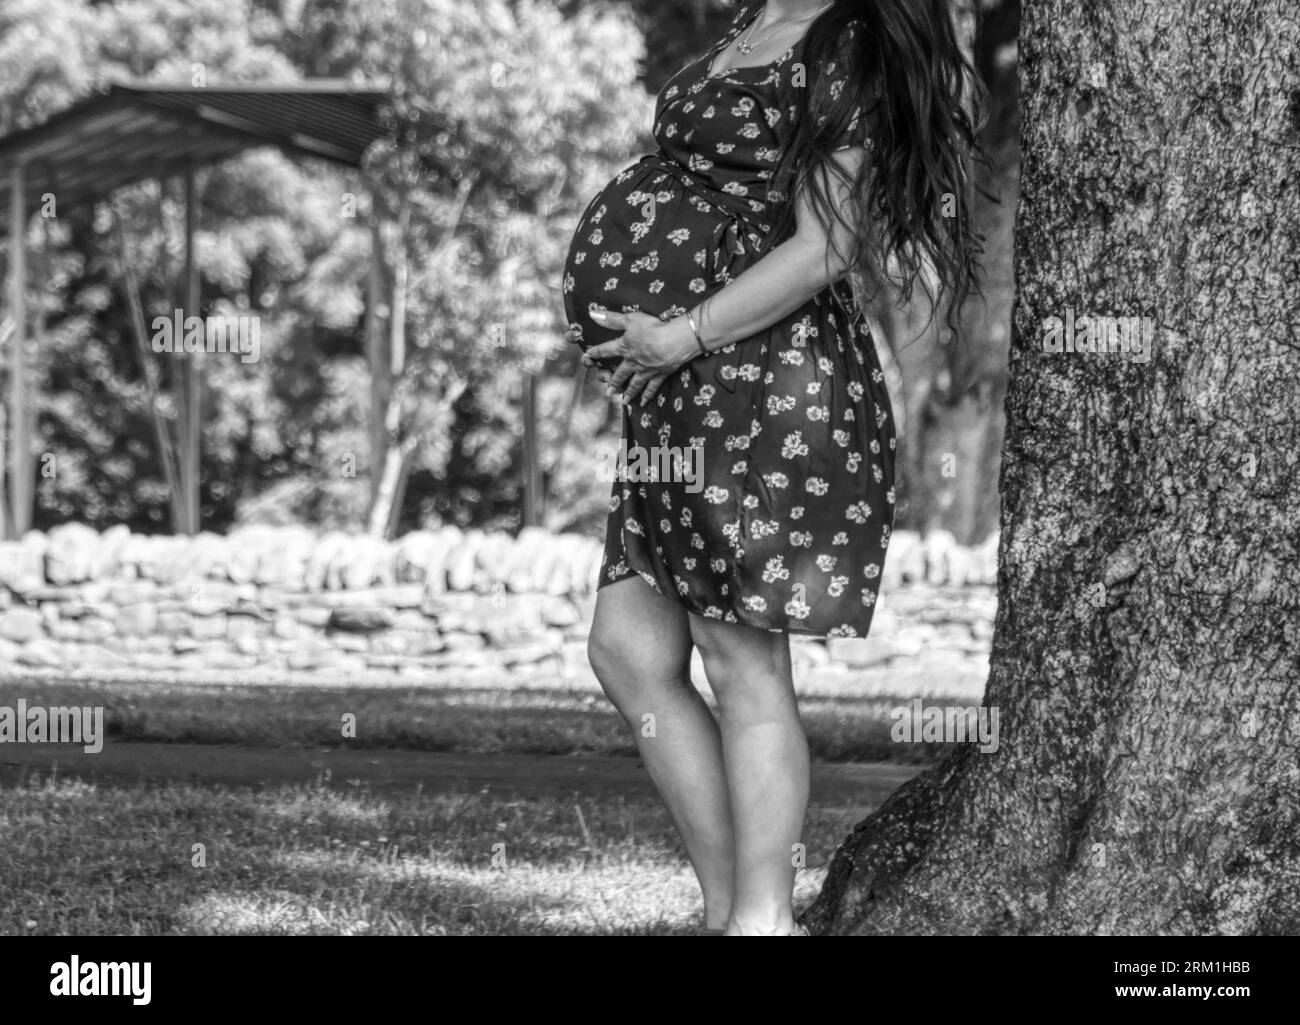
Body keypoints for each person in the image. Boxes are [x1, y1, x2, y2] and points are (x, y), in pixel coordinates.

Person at [561, 0, 985, 936]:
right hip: (683, 395)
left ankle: (759, 923)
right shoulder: (760, 20)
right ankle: (733, 914)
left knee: (742, 664)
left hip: (759, 390)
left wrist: (682, 331)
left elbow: (826, 246)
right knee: (630, 651)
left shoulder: (849, 44)